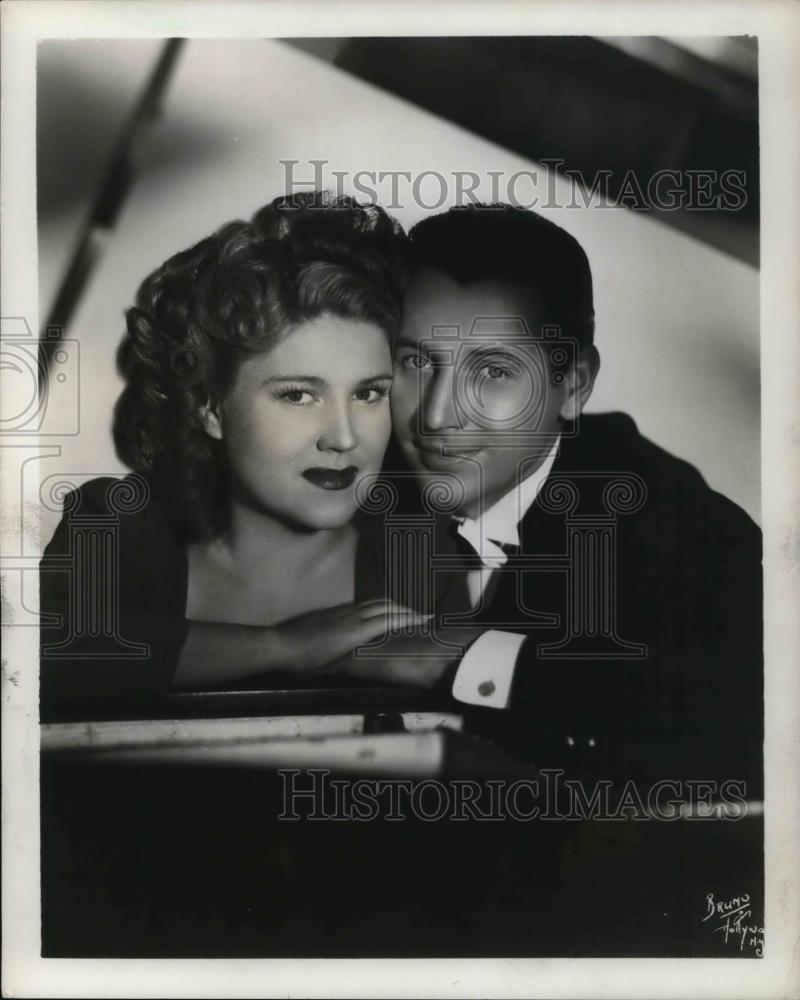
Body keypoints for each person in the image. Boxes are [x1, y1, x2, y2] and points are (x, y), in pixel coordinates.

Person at [347, 203, 763, 792]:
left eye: (492, 372)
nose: (436, 416)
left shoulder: (667, 516)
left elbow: (745, 700)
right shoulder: (350, 466)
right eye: (415, 361)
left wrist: (459, 656)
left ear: (573, 386)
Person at [39, 192, 429, 715]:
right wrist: (283, 647)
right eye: (298, 395)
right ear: (211, 409)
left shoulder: (421, 552)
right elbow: (30, 650)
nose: (343, 437)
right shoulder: (122, 523)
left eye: (369, 393)